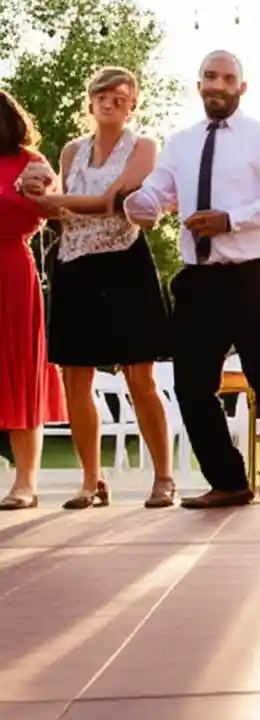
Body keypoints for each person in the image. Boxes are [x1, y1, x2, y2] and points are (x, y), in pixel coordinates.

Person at [124, 50, 260, 509]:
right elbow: (158, 193)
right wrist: (140, 205)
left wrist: (231, 220)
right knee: (191, 385)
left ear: (242, 86)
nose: (218, 84)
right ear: (199, 84)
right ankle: (229, 481)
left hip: (255, 277)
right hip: (198, 281)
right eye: (210, 77)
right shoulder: (178, 144)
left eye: (227, 77)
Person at [23, 67, 176, 510]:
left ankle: (163, 477)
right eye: (101, 95)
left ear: (132, 105)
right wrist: (38, 196)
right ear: (89, 103)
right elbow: (65, 212)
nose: (110, 101)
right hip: (75, 265)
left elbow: (114, 202)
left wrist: (54, 201)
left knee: (140, 377)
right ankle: (92, 481)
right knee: (75, 377)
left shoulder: (144, 147)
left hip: (125, 264)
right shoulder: (71, 151)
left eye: (120, 96)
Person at [0, 91, 66, 510]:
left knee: (20, 371)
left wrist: (35, 191)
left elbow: (49, 213)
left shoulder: (30, 162)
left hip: (10, 270)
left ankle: (25, 483)